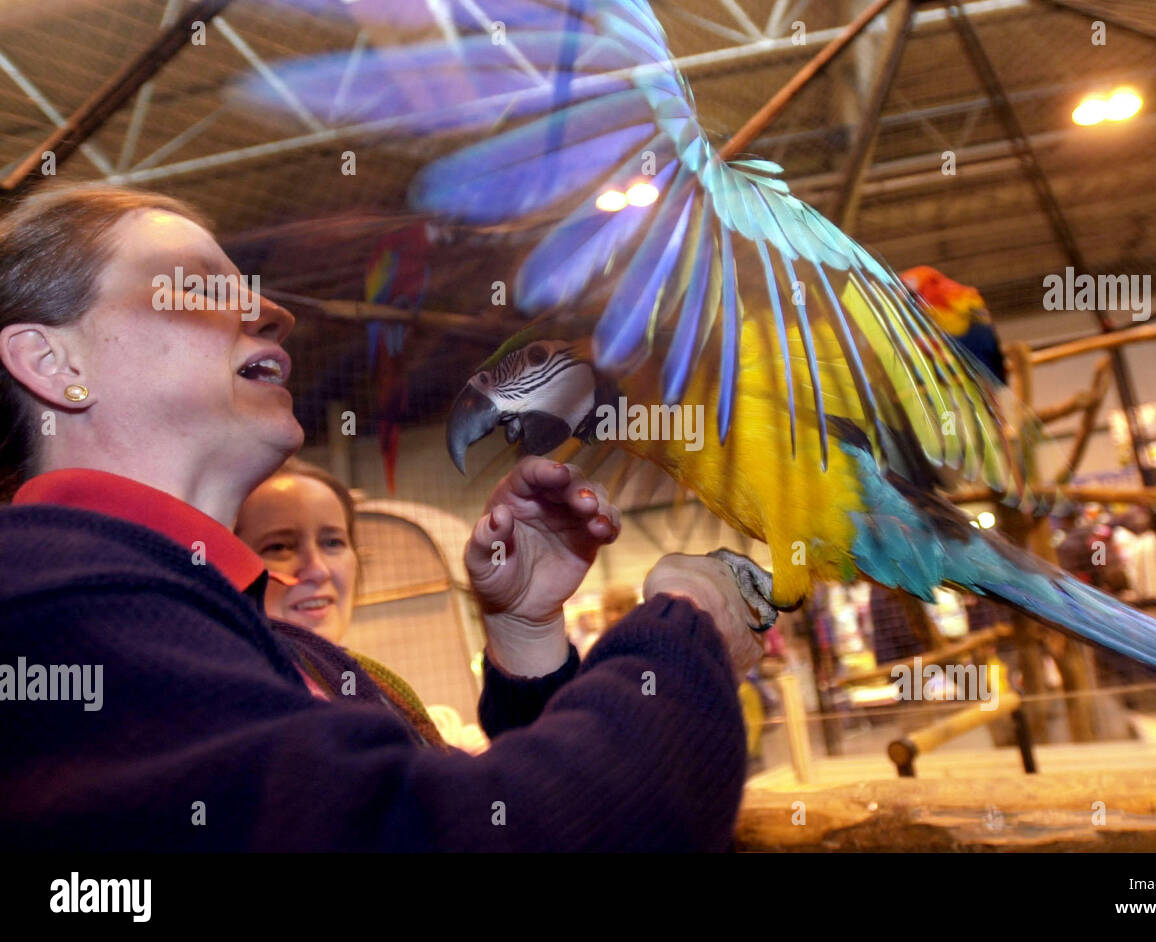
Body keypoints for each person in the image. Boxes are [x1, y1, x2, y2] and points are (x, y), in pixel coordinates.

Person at [0, 183, 763, 851]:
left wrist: (527, 641)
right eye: (197, 286)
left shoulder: (274, 647)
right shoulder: (45, 603)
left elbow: (475, 807)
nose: (272, 313)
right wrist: (683, 631)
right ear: (53, 363)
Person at [235, 457, 456, 747]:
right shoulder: (240, 709)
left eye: (333, 542)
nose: (318, 570)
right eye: (279, 547)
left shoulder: (377, 686)